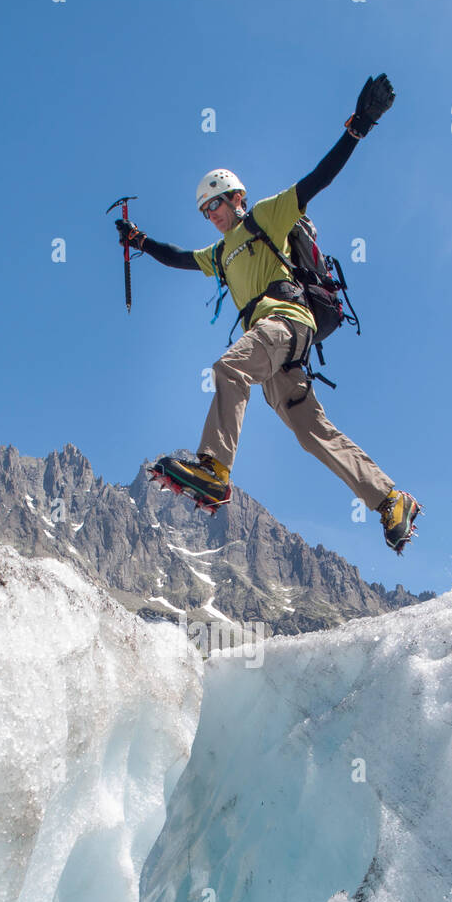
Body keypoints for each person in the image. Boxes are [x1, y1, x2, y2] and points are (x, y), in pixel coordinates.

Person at [114, 74, 420, 554]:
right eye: (203, 209)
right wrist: (140, 242)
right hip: (279, 350)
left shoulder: (266, 216)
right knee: (311, 432)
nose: (210, 213)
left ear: (236, 196)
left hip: (287, 322)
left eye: (215, 202)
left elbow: (318, 179)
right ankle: (390, 499)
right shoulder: (218, 254)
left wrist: (358, 128)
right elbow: (177, 256)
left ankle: (214, 468)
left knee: (229, 367)